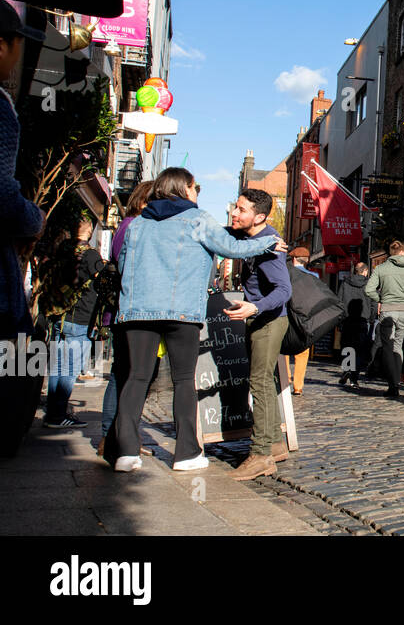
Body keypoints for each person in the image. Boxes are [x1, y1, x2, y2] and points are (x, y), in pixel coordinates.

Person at [111, 169, 285, 473]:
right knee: (183, 381)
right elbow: (231, 248)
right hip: (181, 312)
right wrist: (268, 243)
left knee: (136, 378)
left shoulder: (137, 224)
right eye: (195, 187)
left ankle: (125, 452)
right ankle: (186, 454)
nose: (197, 193)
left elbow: (124, 265)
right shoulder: (197, 219)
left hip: (138, 311)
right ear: (183, 189)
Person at [0, 5, 46, 457]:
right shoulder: (0, 109)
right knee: (15, 359)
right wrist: (34, 217)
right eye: (18, 43)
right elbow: (1, 196)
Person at [226, 188, 294, 480]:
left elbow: (284, 290)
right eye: (235, 207)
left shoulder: (269, 248)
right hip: (263, 320)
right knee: (265, 382)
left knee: (260, 384)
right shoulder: (254, 238)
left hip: (268, 322)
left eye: (241, 210)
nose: (234, 213)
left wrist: (255, 307)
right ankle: (276, 444)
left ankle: (261, 454)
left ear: (260, 217)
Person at [98, 179, 154, 453]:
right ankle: (114, 437)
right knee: (125, 374)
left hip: (126, 310)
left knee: (127, 374)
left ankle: (121, 435)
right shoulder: (132, 226)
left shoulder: (129, 225)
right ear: (144, 201)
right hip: (127, 311)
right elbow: (127, 268)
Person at [41, 218, 104, 428]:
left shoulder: (63, 250)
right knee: (69, 369)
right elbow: (102, 281)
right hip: (81, 317)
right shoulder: (91, 255)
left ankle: (52, 413)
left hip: (60, 315)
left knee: (57, 367)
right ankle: (58, 415)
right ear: (90, 232)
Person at [365, 240, 404, 397]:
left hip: (388, 309)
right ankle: (396, 381)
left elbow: (369, 289)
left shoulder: (382, 268)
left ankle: (392, 384)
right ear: (403, 251)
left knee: (387, 346)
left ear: (390, 253)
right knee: (398, 345)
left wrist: (381, 299)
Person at [338, 262, 376, 386]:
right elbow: (373, 302)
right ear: (365, 271)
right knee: (359, 348)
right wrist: (372, 317)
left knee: (347, 345)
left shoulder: (345, 282)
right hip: (362, 319)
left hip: (348, 318)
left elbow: (339, 301)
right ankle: (354, 377)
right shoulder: (369, 284)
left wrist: (341, 317)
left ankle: (347, 369)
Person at [286, 247, 318, 395]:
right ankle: (298, 385)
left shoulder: (287, 275)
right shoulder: (314, 277)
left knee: (284, 348)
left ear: (293, 259)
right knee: (303, 352)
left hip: (288, 315)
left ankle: (285, 378)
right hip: (305, 317)